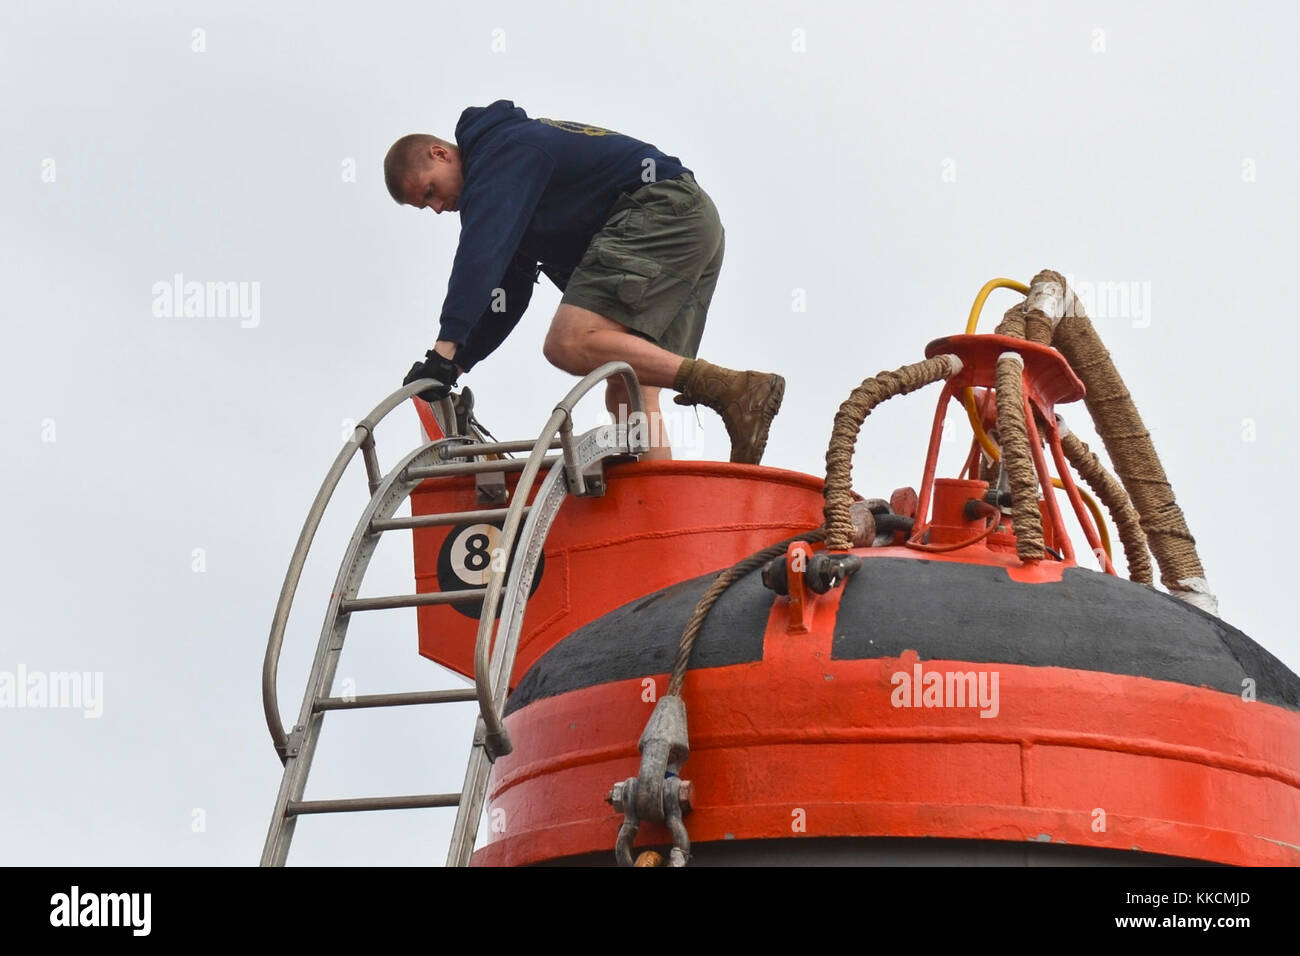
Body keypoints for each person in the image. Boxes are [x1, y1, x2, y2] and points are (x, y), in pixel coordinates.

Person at [386, 99, 784, 464]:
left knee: (568, 342)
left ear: (440, 153)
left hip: (660, 212)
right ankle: (655, 508)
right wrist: (457, 366)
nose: (439, 208)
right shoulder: (511, 179)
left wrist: (442, 351)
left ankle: (735, 390)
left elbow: (480, 254)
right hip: (693, 223)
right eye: (428, 206)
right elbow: (506, 292)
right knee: (631, 386)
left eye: (431, 192)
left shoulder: (501, 154)